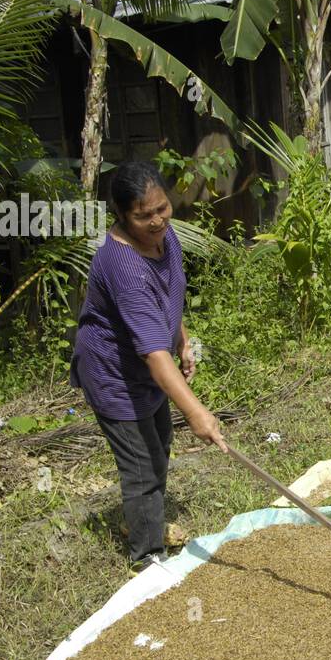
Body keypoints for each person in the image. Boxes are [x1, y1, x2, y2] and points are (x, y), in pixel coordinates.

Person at [70, 160, 227, 569]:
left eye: (162, 208)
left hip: (150, 368)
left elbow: (169, 292)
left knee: (158, 446)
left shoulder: (164, 236)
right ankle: (146, 557)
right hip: (115, 373)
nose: (157, 221)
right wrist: (197, 413)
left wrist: (182, 339)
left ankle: (144, 523)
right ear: (122, 216)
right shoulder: (123, 266)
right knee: (141, 465)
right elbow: (153, 356)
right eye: (143, 216)